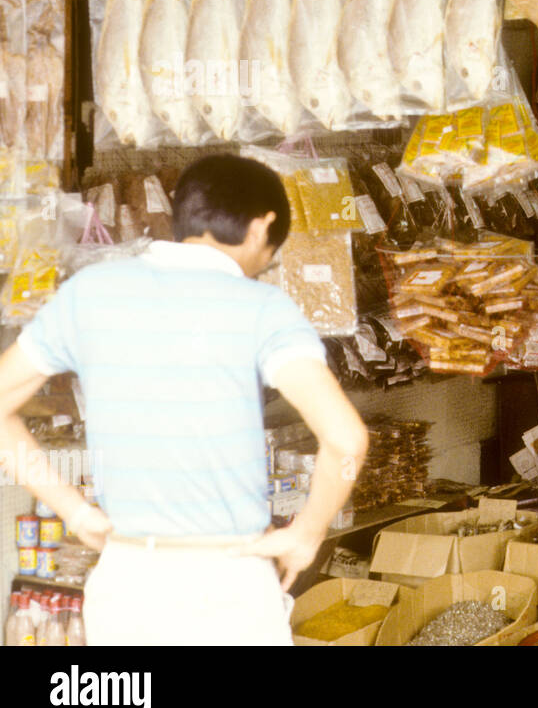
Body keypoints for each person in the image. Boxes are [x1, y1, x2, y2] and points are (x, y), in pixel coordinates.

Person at [0, 155, 369, 645]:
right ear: (264, 227)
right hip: (230, 586)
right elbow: (346, 441)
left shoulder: (91, 292)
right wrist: (309, 530)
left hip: (127, 583)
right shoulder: (264, 308)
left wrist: (72, 507)